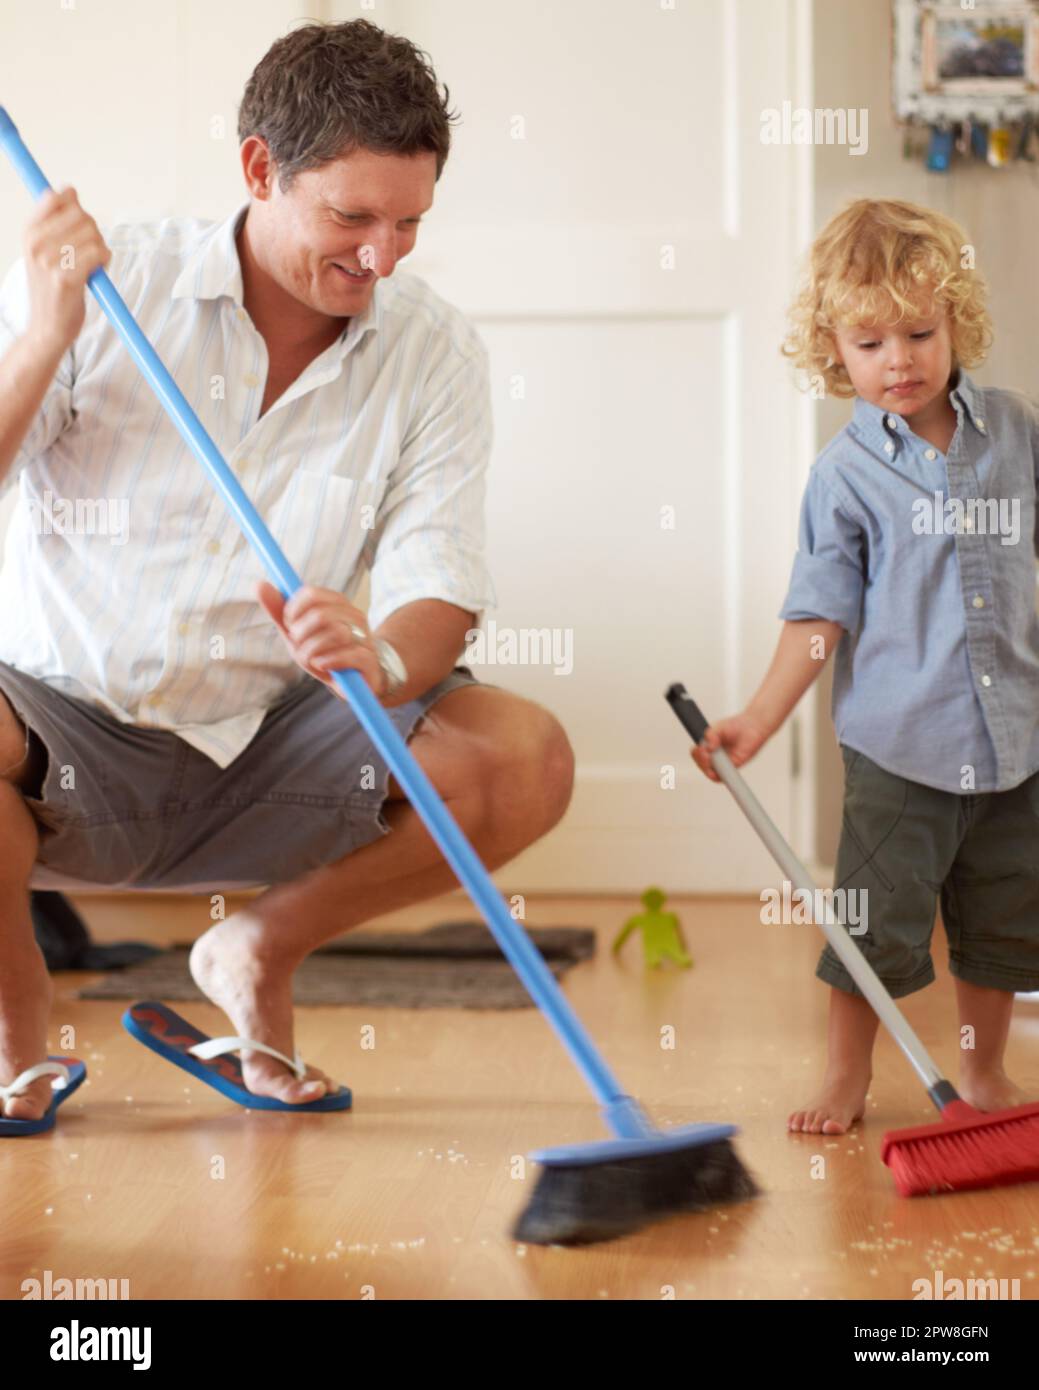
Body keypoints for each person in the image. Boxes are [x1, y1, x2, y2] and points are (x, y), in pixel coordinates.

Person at [0, 19, 574, 1124]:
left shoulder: (433, 348)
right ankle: (14, 1017)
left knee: (523, 756)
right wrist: (41, 337)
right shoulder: (106, 290)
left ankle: (256, 949)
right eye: (352, 218)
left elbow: (440, 579)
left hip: (273, 744)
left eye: (410, 222)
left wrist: (383, 656)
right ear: (261, 168)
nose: (383, 256)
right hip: (64, 745)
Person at [690, 198, 1039, 1135]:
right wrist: (757, 719)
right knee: (871, 926)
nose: (899, 361)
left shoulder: (1015, 432)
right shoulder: (843, 477)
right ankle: (845, 1076)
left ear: (956, 324)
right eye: (869, 342)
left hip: (1015, 745)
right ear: (831, 350)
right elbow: (818, 616)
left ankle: (983, 1073)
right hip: (901, 750)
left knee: (1002, 924)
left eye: (920, 334)